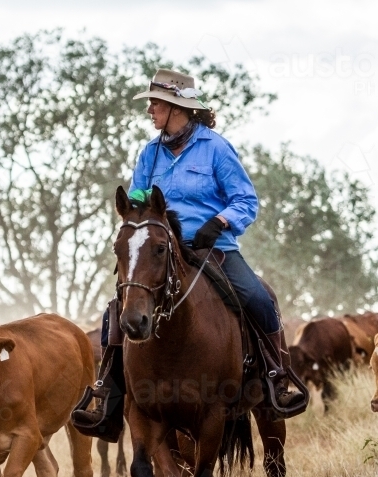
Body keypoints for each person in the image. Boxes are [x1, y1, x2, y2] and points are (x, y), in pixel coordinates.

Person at [72, 68, 305, 439]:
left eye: (155, 104)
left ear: (177, 107)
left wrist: (221, 222)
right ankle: (107, 398)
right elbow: (138, 195)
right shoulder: (149, 154)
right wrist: (132, 213)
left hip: (216, 250)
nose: (150, 111)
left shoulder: (216, 148)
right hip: (162, 251)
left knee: (259, 298)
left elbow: (246, 200)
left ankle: (278, 378)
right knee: (115, 311)